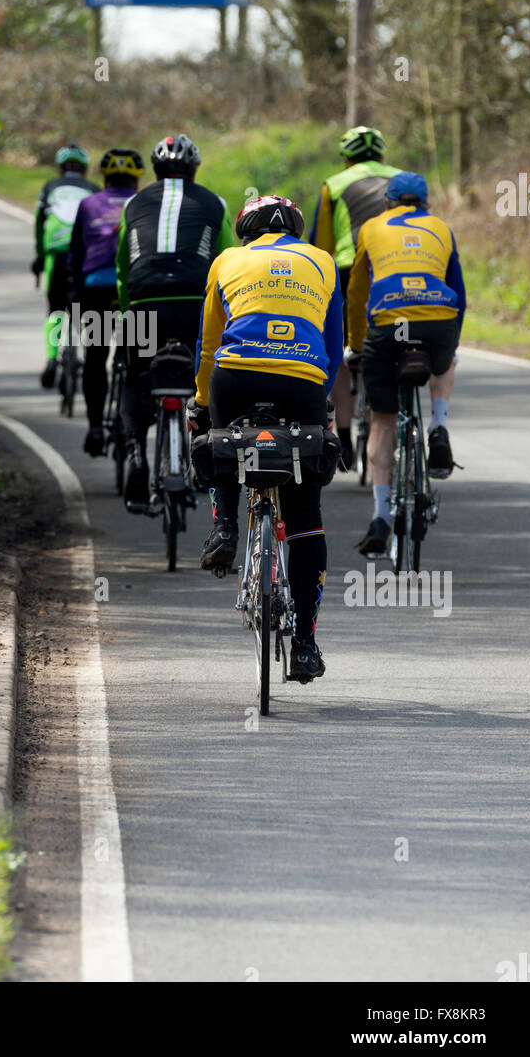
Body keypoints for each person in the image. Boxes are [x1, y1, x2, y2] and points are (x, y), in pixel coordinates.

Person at [189, 194, 343, 683]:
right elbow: (332, 341)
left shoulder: (227, 261)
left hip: (236, 376)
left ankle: (225, 528)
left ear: (245, 231)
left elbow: (210, 343)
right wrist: (324, 398)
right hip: (303, 380)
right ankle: (304, 643)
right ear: (296, 230)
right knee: (306, 518)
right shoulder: (322, 262)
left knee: (223, 437)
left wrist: (200, 401)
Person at [346, 171, 466, 556]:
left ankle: (381, 516)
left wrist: (356, 342)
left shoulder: (370, 228)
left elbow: (357, 291)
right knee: (446, 362)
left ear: (388, 202)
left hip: (389, 324)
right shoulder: (442, 229)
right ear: (425, 203)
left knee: (382, 420)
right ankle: (439, 425)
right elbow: (458, 293)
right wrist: (451, 340)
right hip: (438, 321)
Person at [115, 133, 234, 511]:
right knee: (208, 376)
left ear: (154, 171)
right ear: (194, 171)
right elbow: (227, 264)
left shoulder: (134, 203)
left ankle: (135, 451)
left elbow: (121, 267)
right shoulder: (214, 202)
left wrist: (126, 313)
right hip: (193, 305)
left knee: (133, 374)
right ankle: (206, 456)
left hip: (144, 301)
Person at [309, 125, 400, 468]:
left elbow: (322, 246)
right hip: (394, 269)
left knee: (340, 343)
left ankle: (343, 436)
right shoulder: (403, 179)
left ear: (347, 159)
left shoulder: (334, 184)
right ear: (381, 155)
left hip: (348, 270)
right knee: (390, 342)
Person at [69, 148, 145, 456]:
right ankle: (136, 434)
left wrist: (75, 293)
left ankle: (95, 427)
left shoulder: (88, 204)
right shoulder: (142, 203)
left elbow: (76, 255)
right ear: (137, 180)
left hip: (96, 290)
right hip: (135, 290)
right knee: (141, 361)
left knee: (96, 357)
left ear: (104, 179)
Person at [32, 144, 98, 388]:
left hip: (56, 253)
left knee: (55, 308)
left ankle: (51, 358)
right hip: (85, 254)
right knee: (86, 309)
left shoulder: (50, 187)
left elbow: (40, 224)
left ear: (61, 168)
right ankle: (83, 356)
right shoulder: (93, 189)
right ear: (84, 168)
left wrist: (40, 255)